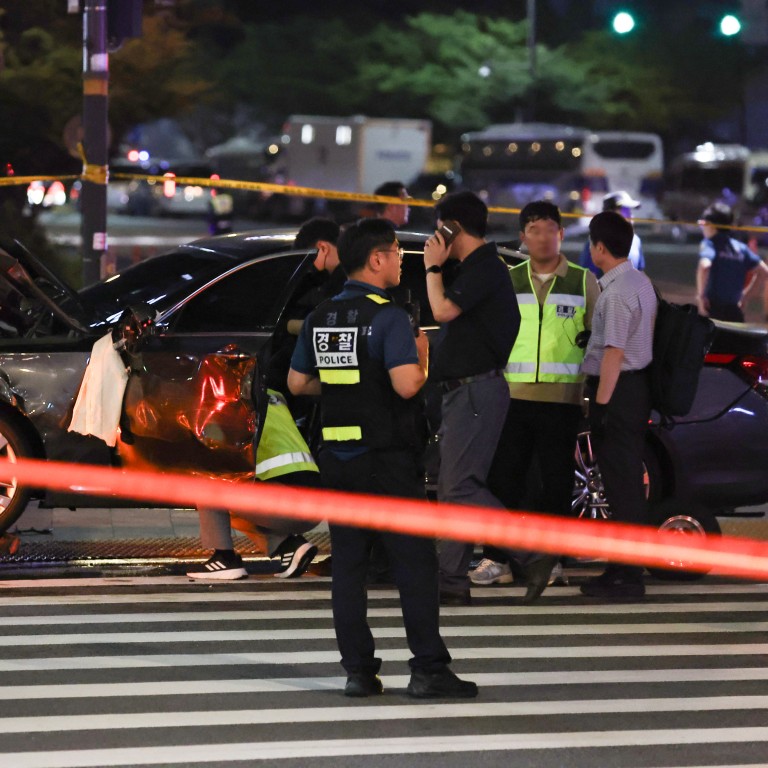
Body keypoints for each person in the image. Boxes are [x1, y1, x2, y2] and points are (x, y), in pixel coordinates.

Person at [288, 217, 477, 699]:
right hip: (388, 459)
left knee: (349, 564)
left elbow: (298, 384)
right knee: (413, 563)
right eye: (395, 252)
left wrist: (344, 380)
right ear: (376, 259)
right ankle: (428, 669)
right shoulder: (388, 317)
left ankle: (358, 671)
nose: (398, 260)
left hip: (338, 456)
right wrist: (424, 355)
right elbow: (406, 384)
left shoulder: (323, 316)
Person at [475, 200, 599, 602]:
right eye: (534, 229)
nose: (542, 236)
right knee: (503, 480)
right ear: (522, 237)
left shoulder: (584, 282)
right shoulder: (508, 281)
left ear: (561, 235)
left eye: (550, 229)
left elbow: (597, 341)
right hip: (511, 398)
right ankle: (498, 561)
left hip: (561, 400)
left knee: (556, 485)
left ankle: (554, 561)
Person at [423, 191, 520, 607]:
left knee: (460, 487)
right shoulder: (476, 268)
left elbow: (442, 311)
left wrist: (431, 266)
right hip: (465, 391)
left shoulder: (485, 268)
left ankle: (534, 551)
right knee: (454, 488)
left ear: (452, 228)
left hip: (475, 390)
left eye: (438, 227)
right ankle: (451, 577)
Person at [580, 210, 657, 600]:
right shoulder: (639, 281)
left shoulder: (615, 293)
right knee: (626, 481)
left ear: (599, 247)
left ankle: (627, 574)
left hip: (619, 391)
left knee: (622, 484)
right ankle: (624, 568)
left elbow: (613, 353)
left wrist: (603, 405)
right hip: (635, 389)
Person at [186, 388, 320, 581]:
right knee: (228, 507)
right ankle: (289, 547)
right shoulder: (274, 396)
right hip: (318, 503)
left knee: (208, 478)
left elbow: (217, 459)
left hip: (286, 502)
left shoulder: (230, 404)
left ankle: (224, 559)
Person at [696, 202, 768, 322]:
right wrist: (745, 296)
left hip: (712, 309)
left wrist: (701, 296)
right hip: (734, 312)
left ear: (710, 225)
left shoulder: (710, 244)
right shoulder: (741, 248)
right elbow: (764, 271)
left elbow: (705, 266)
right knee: (735, 339)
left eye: (703, 224)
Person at [580, 191, 645, 276]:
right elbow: (588, 279)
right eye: (625, 210)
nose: (630, 216)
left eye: (629, 211)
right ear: (610, 214)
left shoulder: (635, 240)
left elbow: (639, 272)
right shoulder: (594, 242)